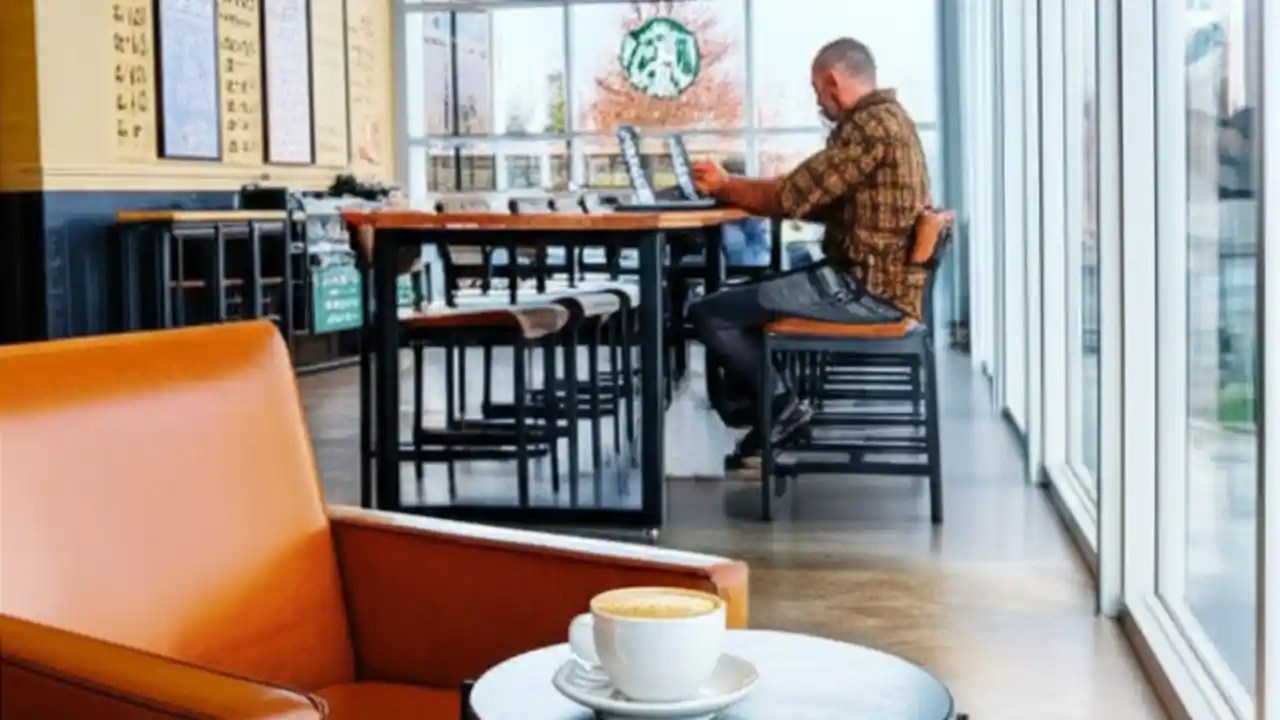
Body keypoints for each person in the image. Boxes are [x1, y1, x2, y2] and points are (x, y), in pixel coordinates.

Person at [688, 37, 933, 470]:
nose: (819, 102)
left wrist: (726, 186)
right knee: (752, 294)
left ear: (833, 81)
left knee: (711, 313)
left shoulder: (869, 126)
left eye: (818, 90)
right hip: (878, 282)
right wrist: (768, 192)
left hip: (865, 289)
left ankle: (780, 407)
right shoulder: (893, 121)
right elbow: (817, 196)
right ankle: (769, 409)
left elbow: (791, 195)